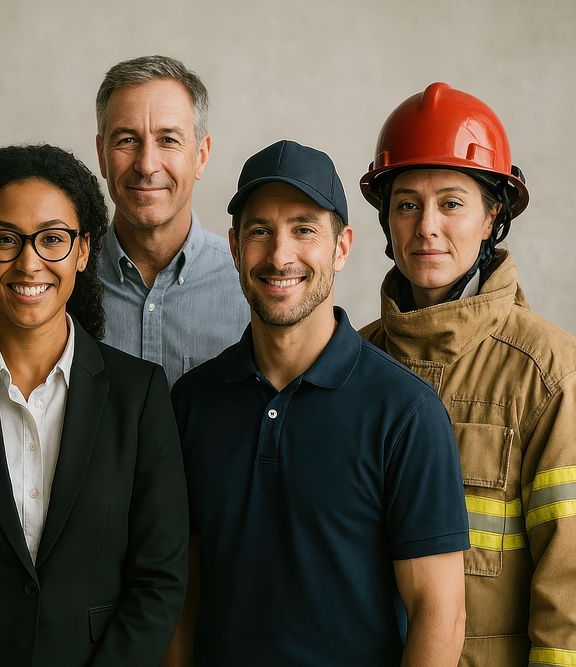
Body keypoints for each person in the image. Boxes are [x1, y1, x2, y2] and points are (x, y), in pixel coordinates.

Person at [0, 144, 188, 666]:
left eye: (52, 240)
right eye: (4, 240)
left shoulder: (139, 394)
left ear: (84, 251)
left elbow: (160, 579)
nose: (28, 262)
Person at [171, 140, 471, 665]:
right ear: (236, 248)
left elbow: (439, 614)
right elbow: (181, 591)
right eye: (260, 231)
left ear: (341, 246)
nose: (280, 255)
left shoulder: (405, 413)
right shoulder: (193, 402)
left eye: (304, 229)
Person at [359, 82, 576, 666]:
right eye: (407, 204)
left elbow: (570, 584)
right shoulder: (350, 363)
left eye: (451, 203)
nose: (426, 226)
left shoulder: (548, 372)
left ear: (492, 217)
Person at [93, 55, 248, 387]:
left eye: (168, 140)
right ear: (101, 154)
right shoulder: (63, 284)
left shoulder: (249, 286)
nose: (147, 165)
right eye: (126, 140)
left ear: (201, 156)